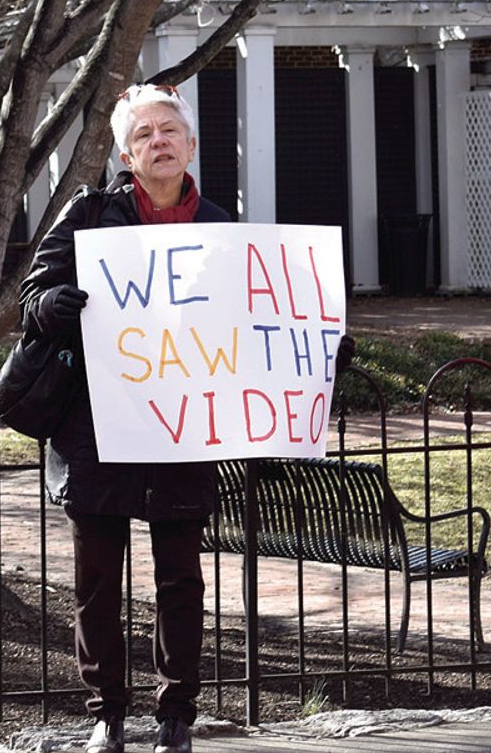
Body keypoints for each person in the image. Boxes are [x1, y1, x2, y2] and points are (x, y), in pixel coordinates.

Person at [20, 82, 354, 753]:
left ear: (192, 145)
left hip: (183, 429)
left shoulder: (226, 228)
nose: (158, 142)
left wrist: (320, 347)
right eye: (143, 134)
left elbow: (260, 323)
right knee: (96, 585)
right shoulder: (89, 214)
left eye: (168, 130)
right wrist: (54, 301)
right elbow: (32, 296)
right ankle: (106, 713)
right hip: (98, 431)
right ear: (126, 152)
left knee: (181, 579)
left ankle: (176, 715)